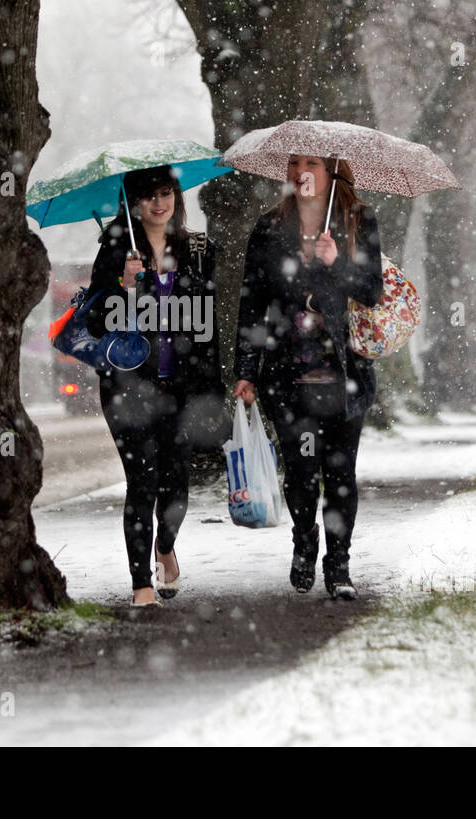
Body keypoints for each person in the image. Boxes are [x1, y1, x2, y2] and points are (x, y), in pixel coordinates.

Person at [233, 154, 382, 599]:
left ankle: (339, 566)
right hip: (287, 375)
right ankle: (304, 541)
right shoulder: (269, 227)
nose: (303, 172)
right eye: (295, 163)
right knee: (300, 473)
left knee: (340, 474)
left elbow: (372, 290)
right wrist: (246, 369)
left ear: (331, 170)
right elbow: (251, 302)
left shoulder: (359, 219)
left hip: (343, 372)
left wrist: (338, 262)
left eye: (312, 164)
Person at [86, 165, 224, 608]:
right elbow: (93, 320)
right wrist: (122, 288)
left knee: (178, 486)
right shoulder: (115, 246)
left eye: (166, 194)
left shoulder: (198, 249)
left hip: (181, 387)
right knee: (142, 482)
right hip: (129, 388)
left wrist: (213, 391)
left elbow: (207, 328)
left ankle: (165, 545)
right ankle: (140, 582)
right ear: (133, 203)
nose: (159, 204)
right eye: (149, 196)